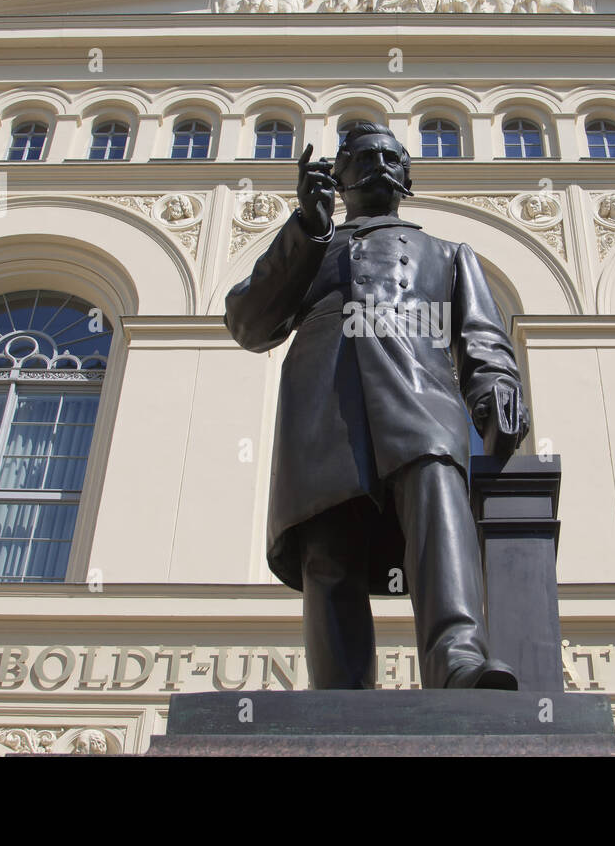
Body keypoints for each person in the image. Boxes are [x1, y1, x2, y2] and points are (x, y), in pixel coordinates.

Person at [224, 122, 530, 690]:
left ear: (409, 176)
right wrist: (305, 229)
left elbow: (482, 336)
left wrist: (495, 388)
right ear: (336, 177)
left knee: (440, 520)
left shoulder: (448, 254)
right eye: (365, 157)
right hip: (324, 410)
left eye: (392, 157)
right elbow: (249, 323)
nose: (381, 164)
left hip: (423, 402)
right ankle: (338, 690)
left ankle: (457, 658)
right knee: (328, 549)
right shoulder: (311, 246)